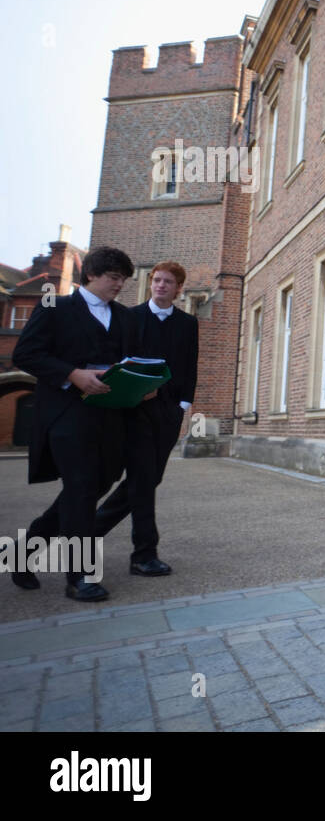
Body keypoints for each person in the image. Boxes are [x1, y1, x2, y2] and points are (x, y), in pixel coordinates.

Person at [10, 246, 137, 600]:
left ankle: (22, 553)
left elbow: (129, 361)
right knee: (80, 490)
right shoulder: (56, 308)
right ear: (91, 275)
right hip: (68, 416)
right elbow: (26, 354)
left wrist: (142, 384)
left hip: (112, 416)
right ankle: (79, 578)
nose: (119, 285)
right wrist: (72, 374)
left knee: (95, 486)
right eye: (114, 278)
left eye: (124, 280)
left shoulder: (125, 317)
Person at [92, 261, 198, 577]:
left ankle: (89, 531)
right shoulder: (129, 317)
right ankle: (144, 553)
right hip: (134, 409)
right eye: (156, 280)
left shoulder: (188, 323)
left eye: (168, 282)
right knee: (142, 478)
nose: (160, 286)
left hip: (168, 412)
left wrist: (182, 404)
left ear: (179, 288)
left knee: (149, 479)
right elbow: (118, 363)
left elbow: (189, 365)